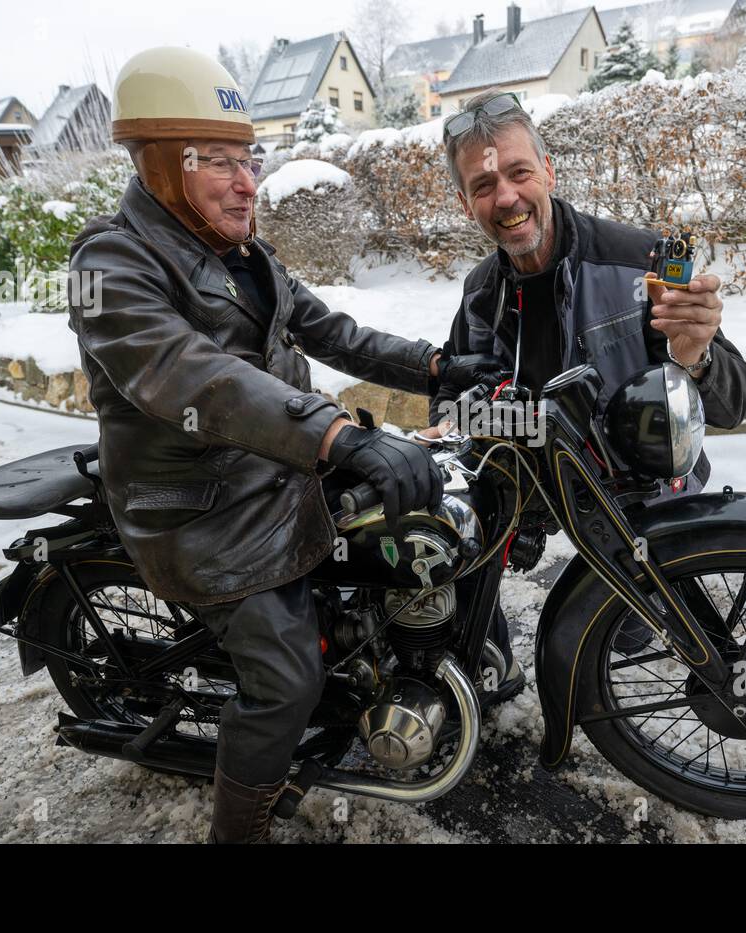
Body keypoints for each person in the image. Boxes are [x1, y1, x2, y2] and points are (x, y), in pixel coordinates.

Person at [66, 47, 495, 844]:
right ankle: (241, 830)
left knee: (427, 523)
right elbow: (194, 377)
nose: (246, 182)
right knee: (286, 678)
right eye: (218, 162)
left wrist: (436, 363)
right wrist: (335, 435)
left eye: (247, 160)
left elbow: (333, 331)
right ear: (161, 163)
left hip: (278, 470)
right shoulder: (111, 264)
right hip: (200, 510)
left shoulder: (244, 257)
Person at [427, 91, 746, 693]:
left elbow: (735, 404)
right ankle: (481, 674)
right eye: (482, 184)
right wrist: (459, 422)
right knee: (441, 534)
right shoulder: (481, 291)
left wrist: (697, 355)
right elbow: (453, 402)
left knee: (621, 646)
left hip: (637, 491)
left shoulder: (639, 261)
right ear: (465, 201)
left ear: (548, 171)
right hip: (536, 484)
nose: (505, 197)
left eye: (519, 172)